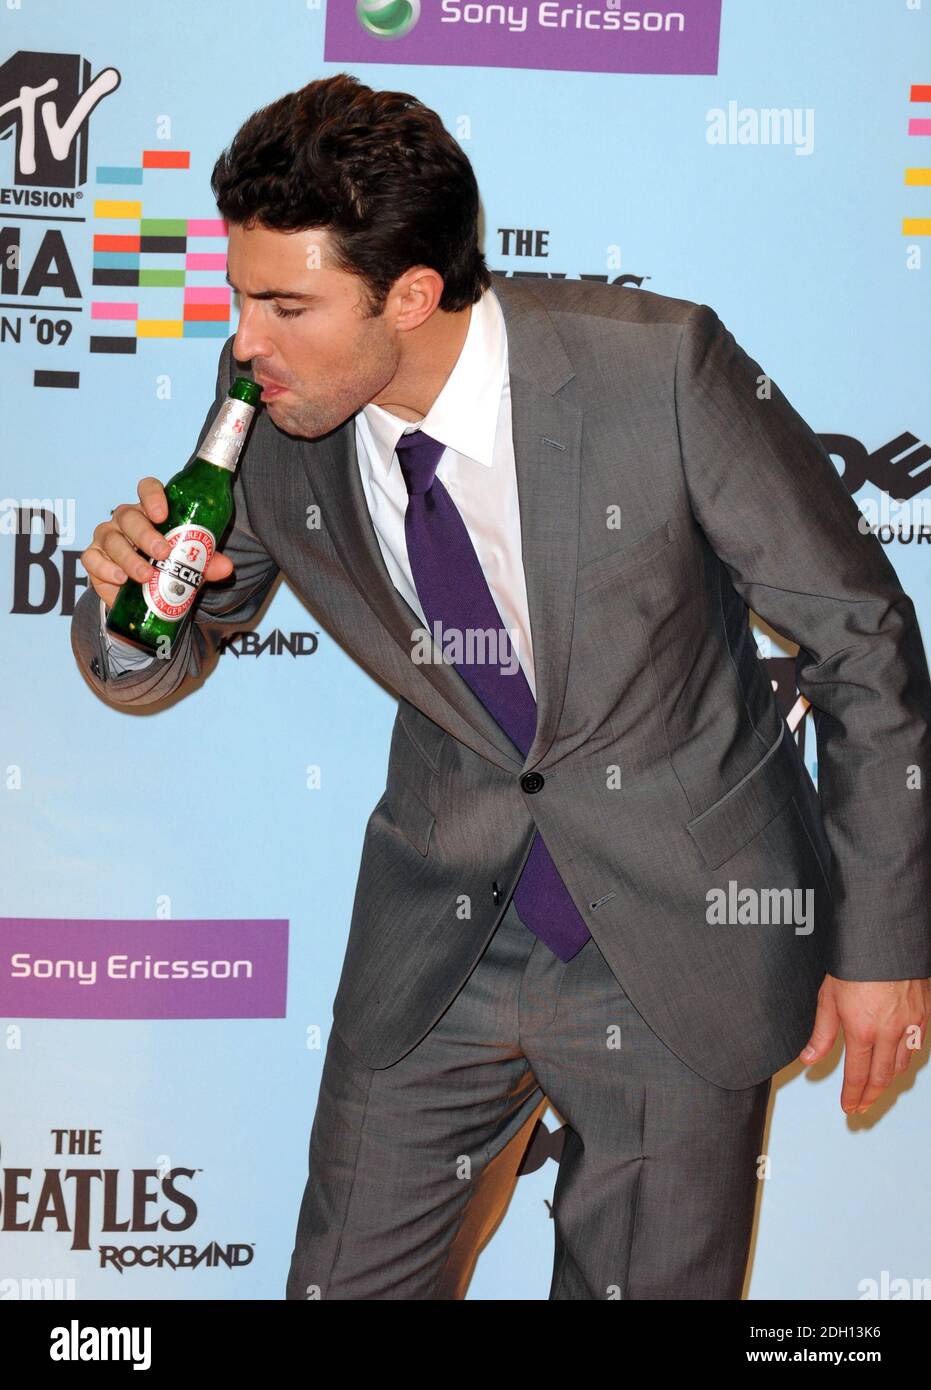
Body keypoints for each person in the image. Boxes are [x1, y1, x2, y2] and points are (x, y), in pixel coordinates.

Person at [73, 73, 931, 1300]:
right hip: (439, 941)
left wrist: (882, 940)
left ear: (411, 294)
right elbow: (172, 638)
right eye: (237, 295)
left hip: (683, 931)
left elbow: (860, 637)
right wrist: (125, 613)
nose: (244, 340)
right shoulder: (266, 405)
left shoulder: (658, 371)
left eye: (285, 303)